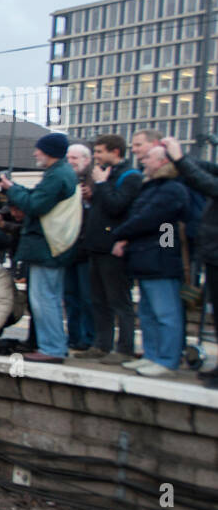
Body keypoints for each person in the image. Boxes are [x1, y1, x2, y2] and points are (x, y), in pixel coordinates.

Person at [0, 132, 81, 363]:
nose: (35, 153)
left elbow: (35, 205)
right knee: (49, 298)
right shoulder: (60, 173)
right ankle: (52, 346)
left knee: (44, 299)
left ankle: (52, 348)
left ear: (49, 152)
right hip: (51, 246)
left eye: (39, 150)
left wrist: (12, 190)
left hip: (47, 246)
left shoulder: (57, 176)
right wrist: (12, 186)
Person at [110, 145, 190, 377]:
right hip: (146, 258)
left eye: (148, 158)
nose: (143, 161)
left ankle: (167, 359)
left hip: (159, 261)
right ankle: (152, 355)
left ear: (164, 161)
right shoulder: (153, 187)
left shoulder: (171, 189)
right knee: (147, 312)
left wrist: (121, 234)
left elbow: (153, 220)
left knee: (165, 313)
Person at [75, 134, 142, 362]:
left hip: (114, 248)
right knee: (98, 300)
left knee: (118, 300)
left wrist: (101, 185)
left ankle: (124, 349)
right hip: (97, 246)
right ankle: (101, 345)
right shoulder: (108, 175)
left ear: (115, 152)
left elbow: (117, 206)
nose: (96, 157)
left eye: (100, 152)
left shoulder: (130, 177)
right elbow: (106, 204)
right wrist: (93, 196)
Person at [162, 135, 218, 388]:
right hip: (202, 248)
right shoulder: (171, 181)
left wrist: (180, 159)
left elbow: (169, 221)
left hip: (186, 245)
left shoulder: (173, 187)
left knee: (176, 303)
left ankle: (172, 352)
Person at [62, 143, 96, 351]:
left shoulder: (95, 183)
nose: (71, 161)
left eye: (75, 158)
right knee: (70, 297)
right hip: (69, 248)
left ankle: (88, 337)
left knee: (87, 297)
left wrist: (91, 199)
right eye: (69, 158)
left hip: (87, 248)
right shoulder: (67, 181)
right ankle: (73, 336)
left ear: (87, 160)